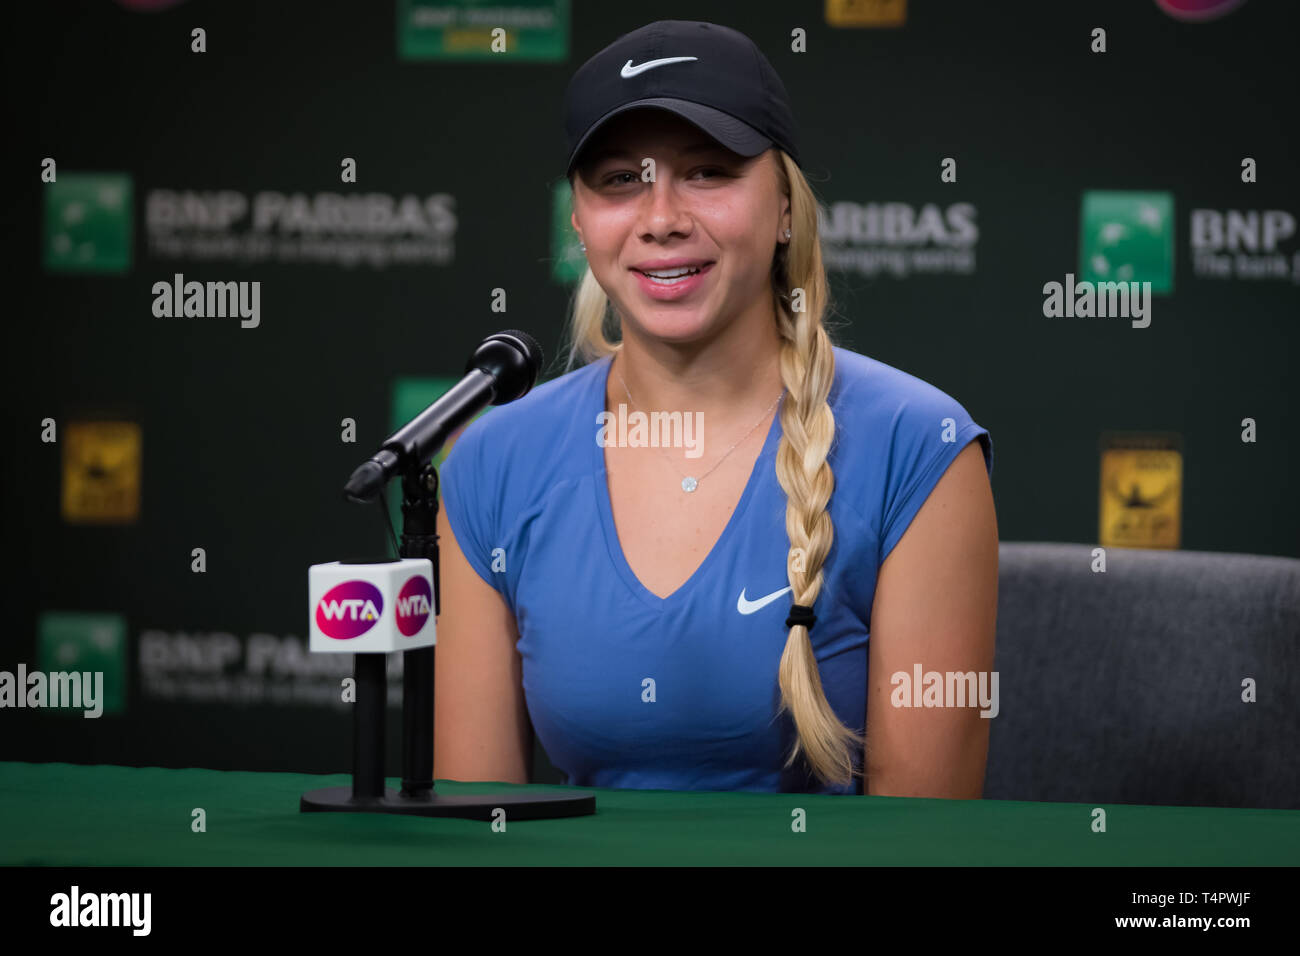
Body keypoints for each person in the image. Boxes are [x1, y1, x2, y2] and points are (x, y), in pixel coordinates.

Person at [434, 20, 997, 795]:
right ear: (577, 218)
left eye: (708, 172)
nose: (660, 216)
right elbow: (478, 822)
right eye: (619, 179)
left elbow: (919, 843)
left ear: (787, 207)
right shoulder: (493, 461)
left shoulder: (919, 447)